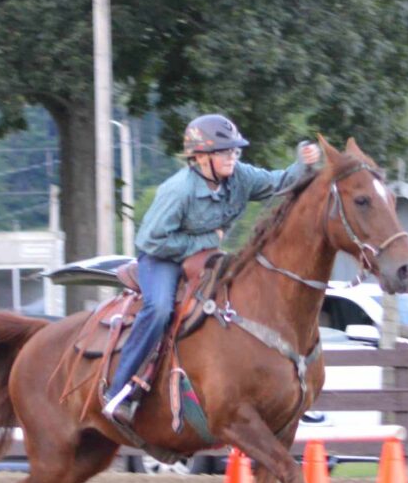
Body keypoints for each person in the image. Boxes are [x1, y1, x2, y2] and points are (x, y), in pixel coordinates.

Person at [103, 113, 321, 424]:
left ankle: (272, 394)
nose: (232, 157)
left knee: (239, 301)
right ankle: (119, 391)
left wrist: (304, 163)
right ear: (201, 157)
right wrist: (207, 239)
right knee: (159, 309)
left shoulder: (240, 176)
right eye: (224, 151)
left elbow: (280, 182)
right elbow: (151, 241)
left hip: (205, 257)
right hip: (162, 259)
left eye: (234, 150)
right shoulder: (178, 190)